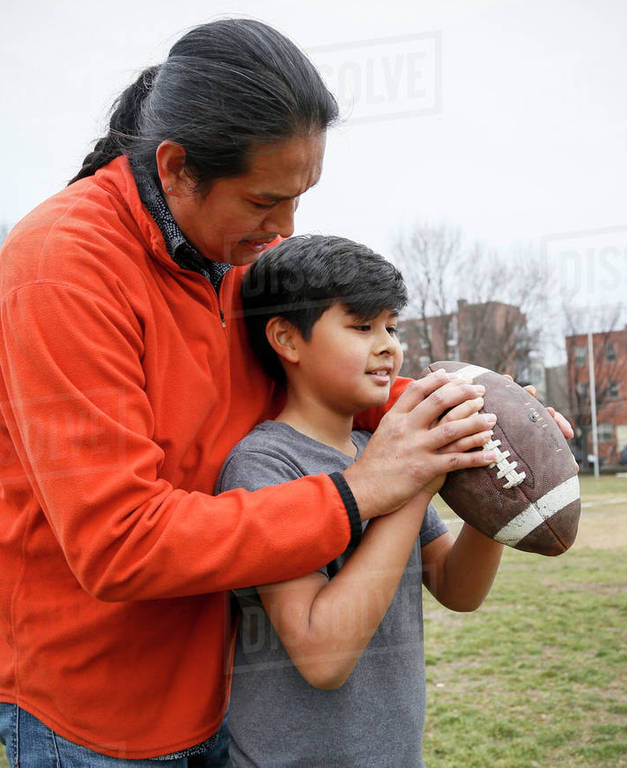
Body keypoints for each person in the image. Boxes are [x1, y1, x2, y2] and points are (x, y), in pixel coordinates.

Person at [0, 19, 509, 766]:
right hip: (97, 715)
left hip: (223, 692)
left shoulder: (236, 253)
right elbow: (119, 541)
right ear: (176, 169)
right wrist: (361, 490)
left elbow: (341, 369)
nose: (285, 229)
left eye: (300, 197)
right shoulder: (61, 268)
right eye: (264, 200)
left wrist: (478, 414)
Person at [216, 236, 505, 767]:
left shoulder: (380, 451)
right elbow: (322, 656)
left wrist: (498, 494)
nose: (388, 346)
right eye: (362, 326)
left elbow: (456, 588)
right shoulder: (264, 465)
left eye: (392, 327)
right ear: (287, 338)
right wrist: (414, 483)